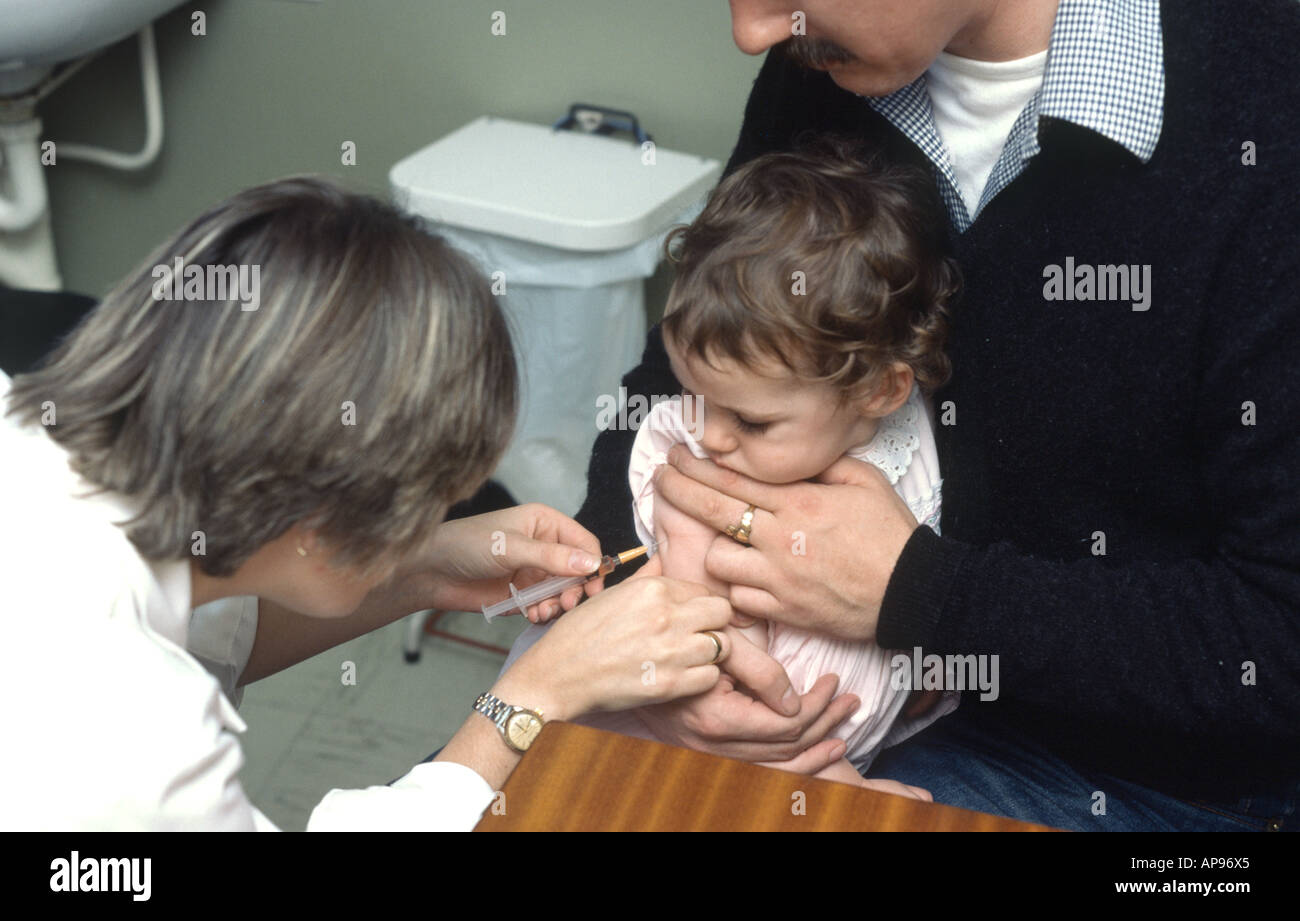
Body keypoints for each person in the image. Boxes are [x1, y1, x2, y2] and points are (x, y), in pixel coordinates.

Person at [571, 0, 1300, 831]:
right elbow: (684, 372)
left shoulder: (1267, 117)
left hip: (1175, 791)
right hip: (877, 720)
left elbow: (1277, 640)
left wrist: (916, 593)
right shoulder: (820, 67)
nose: (753, 32)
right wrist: (647, 636)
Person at [0, 177, 741, 831]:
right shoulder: (129, 741)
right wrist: (529, 700)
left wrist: (426, 569)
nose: (433, 520)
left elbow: (200, 605)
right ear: (322, 517)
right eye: (428, 507)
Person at [507, 144, 961, 789]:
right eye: (695, 396)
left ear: (880, 393)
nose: (711, 434)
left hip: (840, 739)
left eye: (749, 421)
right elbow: (702, 646)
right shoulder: (692, 469)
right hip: (709, 740)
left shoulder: (914, 430)